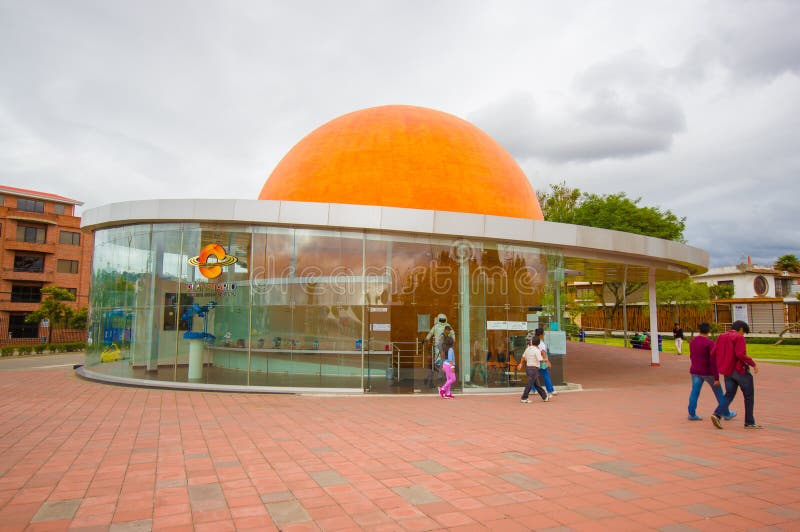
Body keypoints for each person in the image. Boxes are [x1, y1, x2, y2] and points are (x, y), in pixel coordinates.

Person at [710, 320, 761, 429]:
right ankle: (749, 422)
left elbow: (713, 353)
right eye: (744, 332)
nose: (744, 335)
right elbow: (739, 354)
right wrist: (753, 363)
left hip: (727, 371)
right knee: (748, 396)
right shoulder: (739, 337)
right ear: (741, 329)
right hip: (739, 370)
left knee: (729, 394)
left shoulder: (721, 336)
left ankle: (717, 414)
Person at [687, 322, 736, 421]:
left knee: (694, 392)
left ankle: (692, 413)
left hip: (695, 370)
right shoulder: (710, 343)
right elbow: (713, 361)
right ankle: (726, 413)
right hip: (708, 372)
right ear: (709, 331)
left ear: (698, 330)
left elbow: (692, 356)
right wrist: (716, 377)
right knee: (719, 393)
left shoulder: (693, 342)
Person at [517, 337, 549, 403]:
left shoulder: (528, 349)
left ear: (532, 342)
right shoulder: (536, 350)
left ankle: (545, 397)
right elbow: (540, 360)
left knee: (537, 384)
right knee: (529, 384)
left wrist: (521, 364)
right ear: (539, 343)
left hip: (528, 368)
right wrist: (546, 360)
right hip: (534, 369)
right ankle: (524, 397)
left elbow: (523, 357)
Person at [535, 328, 557, 398]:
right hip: (541, 361)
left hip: (534, 361)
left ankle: (533, 389)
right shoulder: (541, 343)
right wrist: (548, 362)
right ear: (541, 335)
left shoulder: (532, 341)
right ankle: (550, 390)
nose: (544, 335)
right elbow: (543, 353)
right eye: (543, 333)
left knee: (533, 376)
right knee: (545, 374)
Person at [438, 334, 457, 399]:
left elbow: (445, 358)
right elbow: (450, 359)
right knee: (453, 379)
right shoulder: (450, 349)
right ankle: (442, 389)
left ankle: (448, 393)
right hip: (449, 365)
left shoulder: (446, 349)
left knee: (449, 379)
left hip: (446, 364)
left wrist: (443, 366)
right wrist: (452, 367)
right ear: (451, 342)